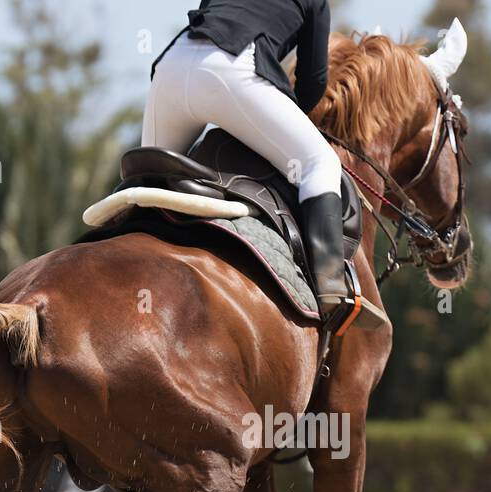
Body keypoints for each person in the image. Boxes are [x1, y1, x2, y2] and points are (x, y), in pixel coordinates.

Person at [145, 0, 351, 326]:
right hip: (232, 69)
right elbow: (312, 80)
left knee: (146, 182)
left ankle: (106, 249)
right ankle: (330, 291)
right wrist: (281, 120)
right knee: (320, 163)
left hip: (174, 61)